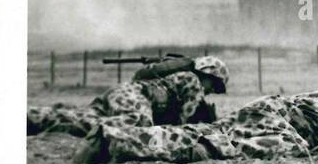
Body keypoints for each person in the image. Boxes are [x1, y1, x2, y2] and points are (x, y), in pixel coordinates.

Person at [72, 65, 318, 164]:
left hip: (266, 110)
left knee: (205, 135)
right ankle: (116, 143)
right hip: (280, 127)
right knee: (216, 148)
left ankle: (112, 137)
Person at [28, 56, 229, 137]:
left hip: (124, 94)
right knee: (137, 122)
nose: (212, 91)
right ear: (206, 73)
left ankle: (37, 117)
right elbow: (183, 122)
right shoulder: (192, 81)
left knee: (85, 120)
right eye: (214, 85)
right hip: (135, 95)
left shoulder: (183, 78)